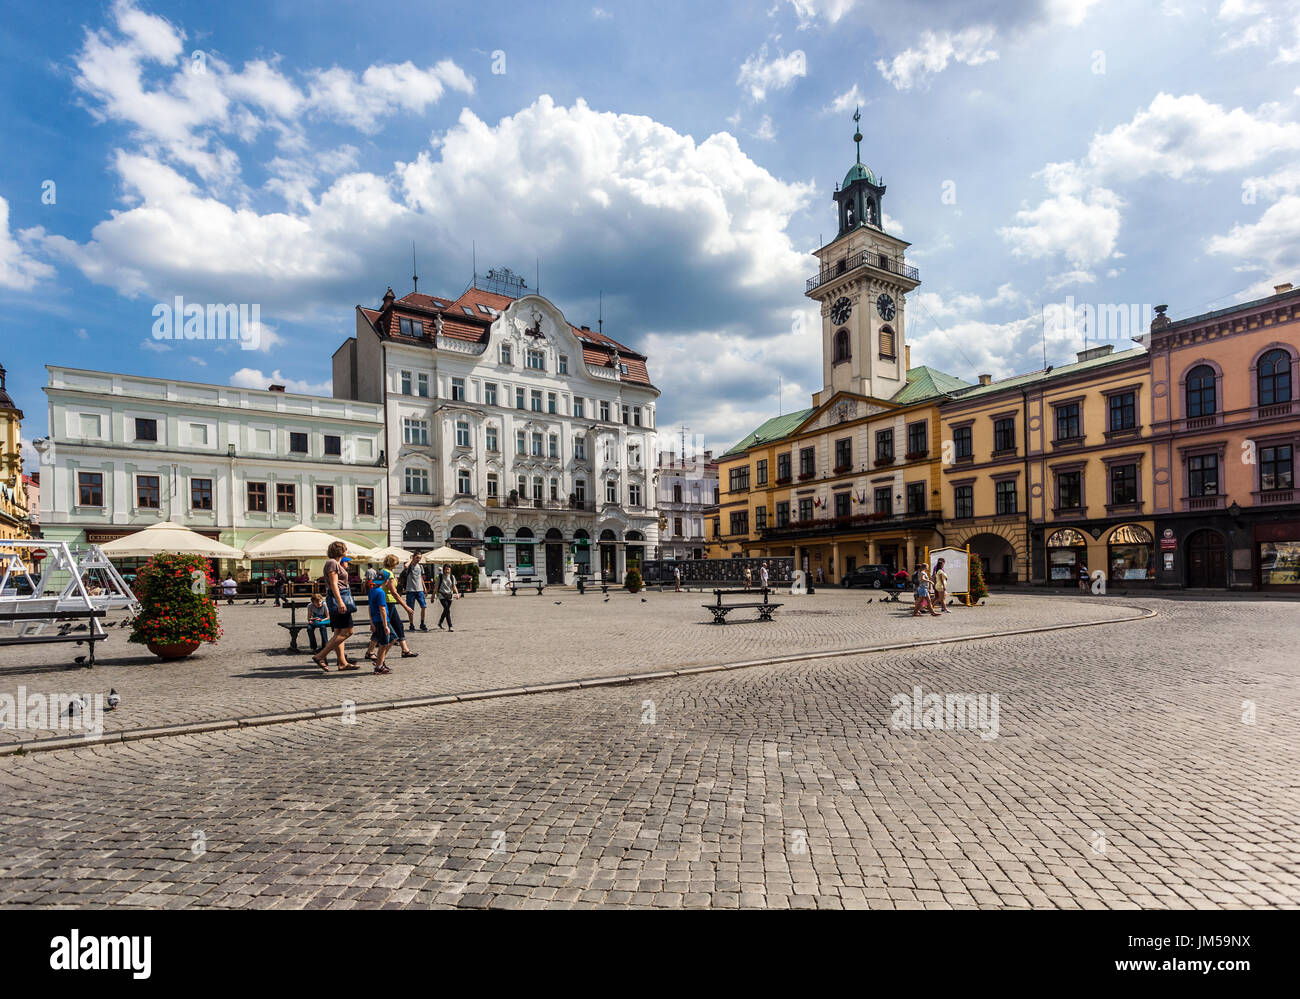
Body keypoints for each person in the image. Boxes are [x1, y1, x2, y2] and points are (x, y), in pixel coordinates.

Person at [314, 544, 358, 671]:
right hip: (339, 597)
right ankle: (320, 655)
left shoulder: (335, 563)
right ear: (340, 551)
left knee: (339, 632)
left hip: (339, 597)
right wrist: (340, 602)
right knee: (348, 631)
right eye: (345, 548)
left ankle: (342, 663)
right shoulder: (332, 563)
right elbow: (334, 584)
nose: (346, 550)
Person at [367, 554, 417, 660]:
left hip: (387, 602)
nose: (397, 564)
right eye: (396, 562)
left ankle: (405, 650)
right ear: (392, 563)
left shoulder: (381, 571)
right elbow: (394, 592)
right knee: (384, 627)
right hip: (387, 602)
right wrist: (406, 606)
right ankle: (373, 653)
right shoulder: (389, 574)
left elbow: (374, 585)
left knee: (398, 625)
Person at [366, 575, 396, 675]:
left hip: (376, 620)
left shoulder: (372, 590)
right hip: (382, 621)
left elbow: (370, 607)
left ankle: (380, 661)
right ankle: (378, 667)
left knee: (393, 638)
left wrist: (371, 622)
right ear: (386, 581)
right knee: (383, 644)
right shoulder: (380, 592)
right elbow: (382, 609)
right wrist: (385, 625)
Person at [402, 552, 428, 631]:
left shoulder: (420, 566)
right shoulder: (409, 565)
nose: (418, 559)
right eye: (417, 557)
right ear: (413, 557)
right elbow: (405, 566)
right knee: (411, 608)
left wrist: (424, 587)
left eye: (420, 558)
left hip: (419, 589)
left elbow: (420, 577)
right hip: (410, 590)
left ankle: (422, 623)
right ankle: (411, 624)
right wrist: (411, 559)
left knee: (423, 606)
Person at [436, 563, 459, 631]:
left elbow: (454, 586)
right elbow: (436, 587)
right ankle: (450, 626)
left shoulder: (452, 577)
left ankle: (440, 622)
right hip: (441, 594)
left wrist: (457, 593)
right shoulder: (440, 577)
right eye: (445, 569)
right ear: (443, 570)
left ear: (450, 570)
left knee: (446, 610)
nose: (447, 571)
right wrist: (433, 595)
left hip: (449, 595)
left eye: (448, 569)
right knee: (447, 609)